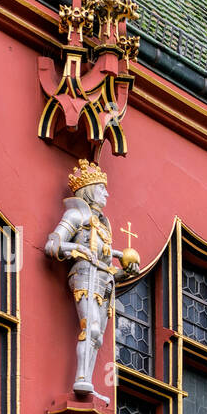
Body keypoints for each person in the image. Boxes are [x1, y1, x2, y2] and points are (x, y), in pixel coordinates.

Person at [44, 159, 140, 398]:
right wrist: (78, 251)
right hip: (83, 275)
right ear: (89, 190)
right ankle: (82, 379)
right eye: (101, 188)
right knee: (92, 327)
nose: (106, 193)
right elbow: (52, 244)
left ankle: (87, 380)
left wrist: (124, 272)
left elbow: (107, 267)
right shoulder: (76, 214)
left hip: (103, 282)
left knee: (97, 336)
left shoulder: (105, 226)